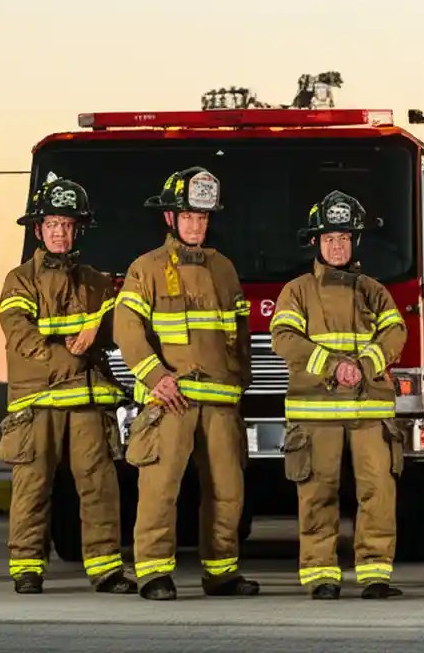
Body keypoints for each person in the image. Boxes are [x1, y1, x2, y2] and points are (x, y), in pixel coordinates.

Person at [115, 167, 259, 601]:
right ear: (170, 219)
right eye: (188, 216)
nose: (196, 225)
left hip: (220, 403)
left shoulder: (225, 269)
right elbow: (127, 329)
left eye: (203, 217)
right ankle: (154, 574)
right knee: (160, 491)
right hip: (170, 402)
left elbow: (240, 334)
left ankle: (222, 573)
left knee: (227, 492)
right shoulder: (147, 268)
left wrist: (241, 385)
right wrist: (155, 378)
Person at [0, 174, 135, 595]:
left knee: (99, 485)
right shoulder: (19, 280)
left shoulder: (96, 282)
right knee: (32, 486)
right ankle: (27, 567)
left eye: (69, 224)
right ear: (39, 230)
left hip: (90, 404)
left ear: (79, 230)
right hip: (37, 401)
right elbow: (20, 334)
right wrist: (73, 356)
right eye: (53, 224)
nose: (60, 232)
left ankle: (106, 568)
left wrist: (102, 326)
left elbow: (121, 326)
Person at [271, 191, 409, 600]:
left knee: (378, 492)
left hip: (370, 413)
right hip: (315, 415)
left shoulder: (374, 291)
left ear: (355, 242)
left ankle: (375, 574)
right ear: (316, 242)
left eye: (345, 238)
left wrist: (364, 365)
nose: (337, 246)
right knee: (317, 493)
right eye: (329, 238)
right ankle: (321, 576)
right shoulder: (296, 291)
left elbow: (395, 332)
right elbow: (283, 338)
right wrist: (334, 366)